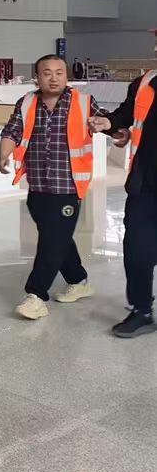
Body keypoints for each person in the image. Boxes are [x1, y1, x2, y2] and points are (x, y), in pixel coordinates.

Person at [0, 55, 99, 321]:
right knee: (57, 237)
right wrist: (4, 154)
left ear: (67, 76)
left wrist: (111, 128)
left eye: (59, 72)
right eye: (47, 73)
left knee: (52, 240)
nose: (53, 78)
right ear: (37, 77)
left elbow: (104, 122)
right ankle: (78, 280)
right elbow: (12, 130)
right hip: (38, 185)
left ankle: (36, 295)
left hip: (68, 185)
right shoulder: (27, 102)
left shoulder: (83, 102)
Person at [91, 36, 157, 337]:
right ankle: (141, 310)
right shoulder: (144, 83)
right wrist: (109, 124)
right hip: (145, 183)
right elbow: (126, 115)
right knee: (137, 250)